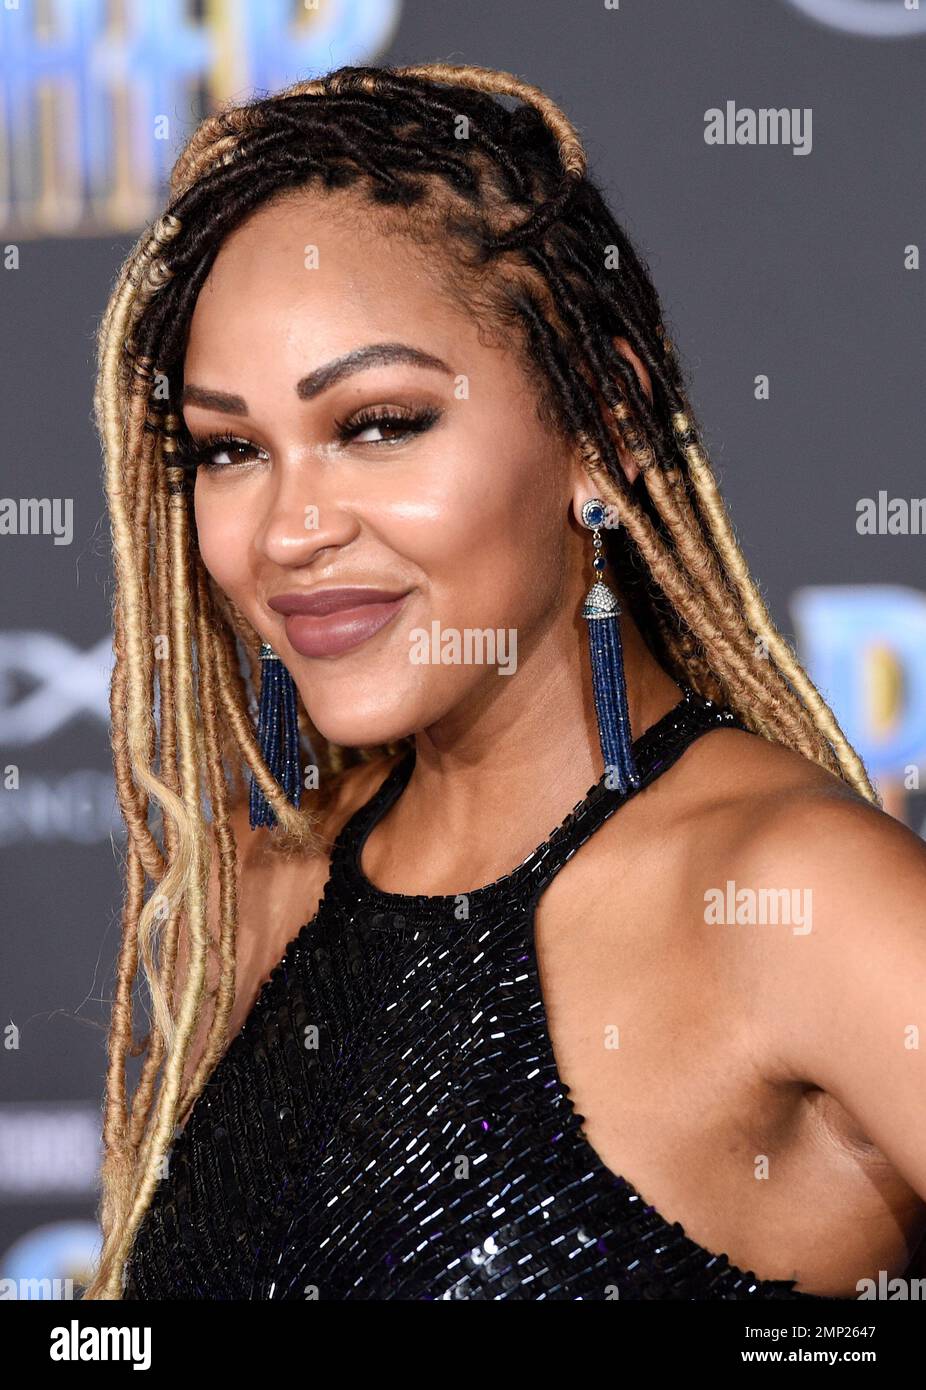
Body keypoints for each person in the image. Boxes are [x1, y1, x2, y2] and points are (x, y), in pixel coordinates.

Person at [83, 62, 926, 1301]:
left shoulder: (799, 902)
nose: (286, 530)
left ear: (605, 423)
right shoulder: (262, 900)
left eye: (378, 423)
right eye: (230, 449)